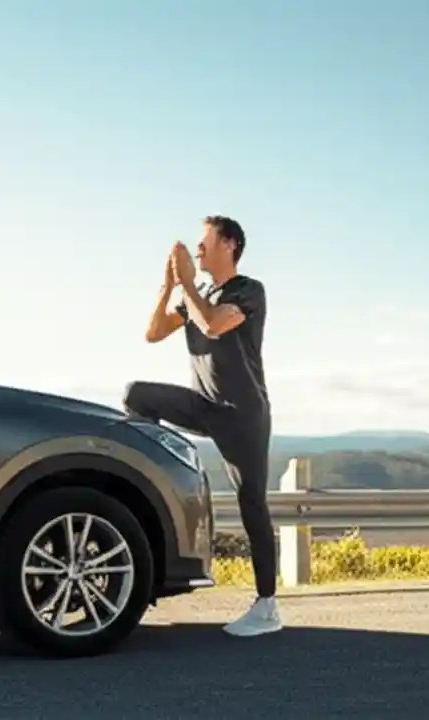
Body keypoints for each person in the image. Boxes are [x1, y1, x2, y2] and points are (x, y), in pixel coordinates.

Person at [123, 215, 281, 637]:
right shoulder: (199, 295)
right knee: (137, 395)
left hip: (243, 414)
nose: (196, 249)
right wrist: (169, 285)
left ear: (229, 244)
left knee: (252, 504)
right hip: (205, 406)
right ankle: (153, 476)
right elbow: (153, 332)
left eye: (203, 241)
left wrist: (189, 285)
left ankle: (267, 606)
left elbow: (212, 325)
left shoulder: (248, 291)